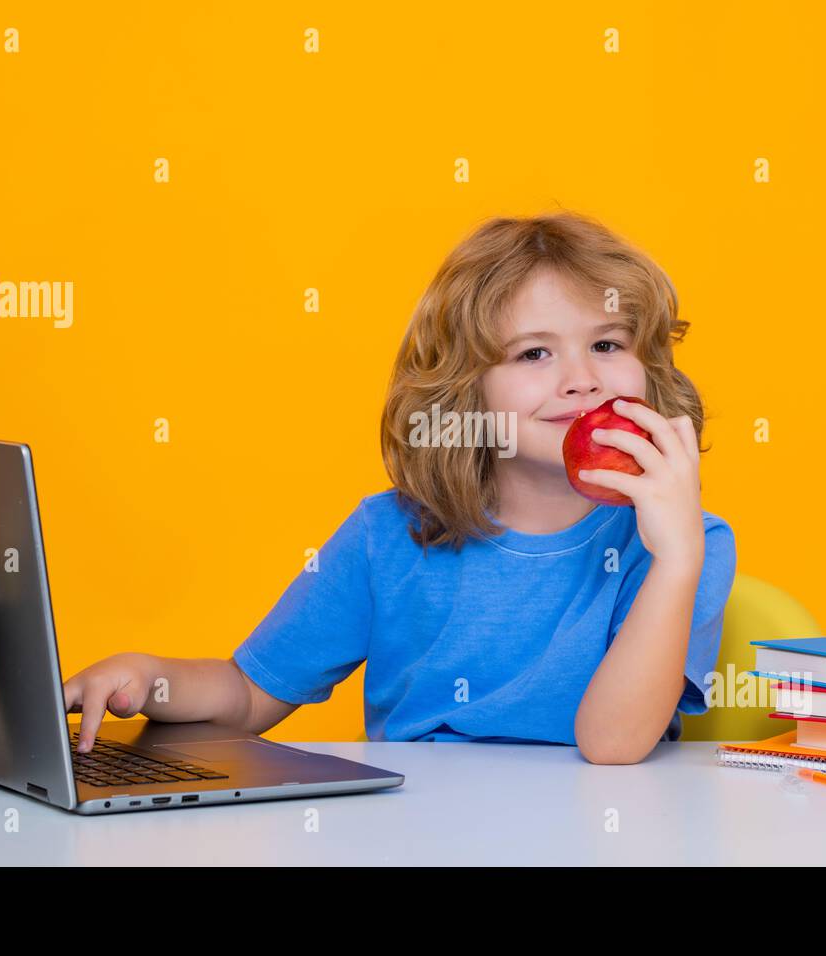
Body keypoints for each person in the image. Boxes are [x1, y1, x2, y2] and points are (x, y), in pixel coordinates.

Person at [63, 211, 736, 764]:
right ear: (466, 393)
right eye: (534, 353)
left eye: (609, 345)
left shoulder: (687, 547)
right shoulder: (390, 534)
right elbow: (247, 694)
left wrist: (674, 561)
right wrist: (147, 677)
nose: (581, 378)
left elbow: (612, 745)